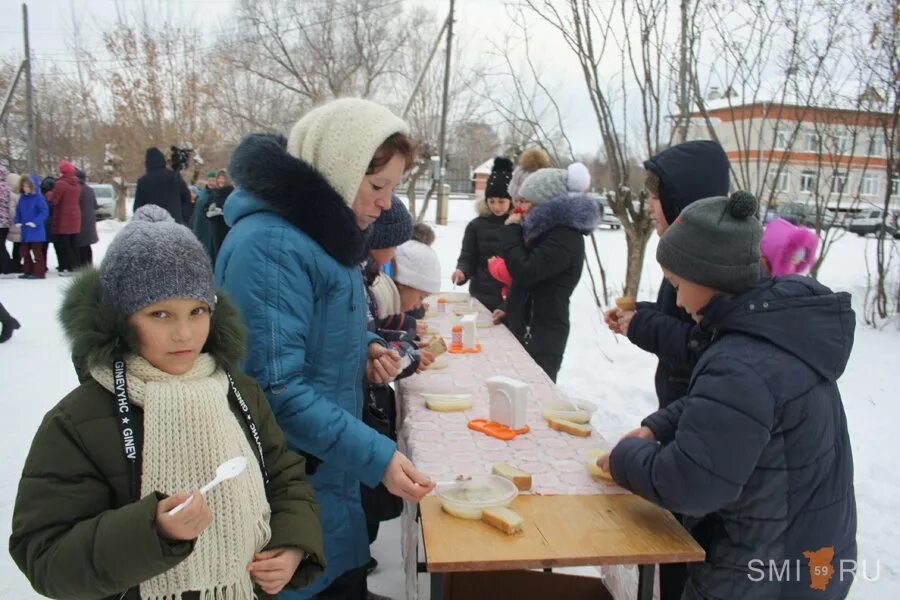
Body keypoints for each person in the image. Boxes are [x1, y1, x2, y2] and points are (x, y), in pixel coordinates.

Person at [10, 205, 326, 600]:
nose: (184, 333)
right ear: (120, 319)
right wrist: (152, 532)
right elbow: (45, 557)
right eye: (160, 314)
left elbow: (284, 480)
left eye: (197, 311)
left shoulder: (239, 392)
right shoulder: (77, 421)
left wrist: (292, 543)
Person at [217, 98, 435, 598]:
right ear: (339, 170)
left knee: (338, 574)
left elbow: (316, 330)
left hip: (326, 470)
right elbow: (273, 389)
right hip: (290, 480)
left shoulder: (322, 237)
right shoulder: (273, 247)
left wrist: (366, 346)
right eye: (377, 186)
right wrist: (378, 458)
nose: (386, 204)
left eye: (393, 189)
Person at [601, 192, 857, 600]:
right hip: (810, 559)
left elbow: (692, 484)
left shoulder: (741, 361)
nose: (678, 301)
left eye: (677, 285)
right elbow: (736, 410)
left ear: (708, 277)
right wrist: (658, 426)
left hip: (761, 577)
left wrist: (624, 459)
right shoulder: (774, 331)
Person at [605, 140, 731, 408]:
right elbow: (678, 316)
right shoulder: (686, 251)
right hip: (679, 405)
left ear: (680, 199)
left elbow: (707, 344)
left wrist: (641, 324)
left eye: (655, 197)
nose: (648, 207)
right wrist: (638, 313)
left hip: (700, 409)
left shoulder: (713, 263)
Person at [498, 162, 597, 382]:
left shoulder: (564, 236)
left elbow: (526, 271)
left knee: (533, 395)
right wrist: (510, 309)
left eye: (527, 202)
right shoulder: (545, 232)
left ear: (546, 204)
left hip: (542, 337)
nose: (521, 207)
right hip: (530, 329)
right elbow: (528, 285)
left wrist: (511, 231)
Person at [451, 157, 514, 311]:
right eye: (491, 201)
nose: (496, 206)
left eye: (501, 201)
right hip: (480, 295)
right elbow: (468, 256)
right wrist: (462, 271)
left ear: (511, 200)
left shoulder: (519, 226)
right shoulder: (475, 226)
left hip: (509, 299)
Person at [133, 147, 192, 225]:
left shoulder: (143, 181)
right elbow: (187, 197)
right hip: (174, 223)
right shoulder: (174, 177)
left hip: (152, 225)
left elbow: (137, 208)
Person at [46, 160, 82, 274]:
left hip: (63, 217)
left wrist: (48, 194)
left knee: (64, 244)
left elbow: (54, 200)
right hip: (75, 216)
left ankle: (67, 267)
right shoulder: (76, 183)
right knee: (73, 243)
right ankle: (75, 265)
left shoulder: (61, 184)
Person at [14, 175, 49, 279]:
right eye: (24, 186)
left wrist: (35, 222)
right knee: (24, 251)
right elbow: (18, 210)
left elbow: (44, 212)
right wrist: (17, 221)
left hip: (36, 229)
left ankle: (39, 272)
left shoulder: (39, 197)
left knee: (37, 252)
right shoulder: (22, 198)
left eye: (27, 186)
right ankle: (28, 270)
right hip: (25, 229)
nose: (25, 188)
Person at [205, 169, 234, 266]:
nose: (220, 181)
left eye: (223, 179)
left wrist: (221, 210)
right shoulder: (214, 192)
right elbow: (207, 206)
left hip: (225, 227)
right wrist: (209, 208)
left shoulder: (230, 192)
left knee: (222, 250)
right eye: (219, 178)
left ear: (227, 180)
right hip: (213, 226)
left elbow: (232, 208)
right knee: (213, 251)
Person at [192, 170, 219, 259]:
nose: (211, 182)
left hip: (209, 228)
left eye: (213, 180)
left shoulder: (217, 195)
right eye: (210, 180)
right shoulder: (202, 193)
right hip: (198, 225)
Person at [75, 168, 99, 267]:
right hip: (90, 220)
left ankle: (82, 265)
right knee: (87, 244)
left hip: (80, 220)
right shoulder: (90, 189)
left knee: (80, 244)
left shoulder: (77, 189)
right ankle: (89, 264)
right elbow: (95, 205)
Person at [0, 164, 13, 274]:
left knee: (1, 247)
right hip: (6, 222)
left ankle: (6, 268)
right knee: (2, 245)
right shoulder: (7, 188)